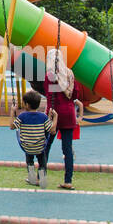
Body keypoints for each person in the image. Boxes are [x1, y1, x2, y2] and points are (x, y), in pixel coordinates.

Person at [43, 49, 80, 190]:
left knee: (46, 145)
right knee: (67, 149)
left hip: (54, 114)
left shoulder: (50, 75)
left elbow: (49, 94)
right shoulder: (69, 73)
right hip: (69, 113)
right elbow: (75, 93)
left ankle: (41, 176)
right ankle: (68, 180)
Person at [12, 89, 54, 187]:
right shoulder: (43, 116)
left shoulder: (22, 116)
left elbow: (12, 126)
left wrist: (12, 112)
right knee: (42, 161)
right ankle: (42, 179)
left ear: (27, 105)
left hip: (27, 146)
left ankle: (31, 178)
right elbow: (51, 130)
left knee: (29, 160)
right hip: (40, 147)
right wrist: (54, 118)